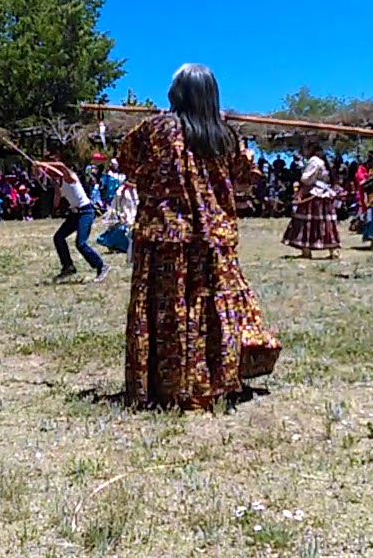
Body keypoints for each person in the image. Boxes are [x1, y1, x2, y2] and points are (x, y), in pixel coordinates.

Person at [117, 63, 282, 410]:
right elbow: (247, 174)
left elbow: (126, 160)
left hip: (166, 235)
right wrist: (227, 127)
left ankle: (166, 388)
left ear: (176, 93)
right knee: (209, 308)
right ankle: (213, 382)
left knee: (168, 310)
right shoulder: (224, 136)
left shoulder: (156, 129)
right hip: (213, 236)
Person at [34, 152, 110, 283]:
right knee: (58, 237)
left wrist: (42, 164)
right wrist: (38, 172)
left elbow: (62, 166)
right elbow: (56, 203)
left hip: (86, 211)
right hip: (75, 213)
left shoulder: (70, 176)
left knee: (81, 243)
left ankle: (101, 266)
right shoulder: (59, 182)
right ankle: (68, 266)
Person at [281, 142, 341, 259]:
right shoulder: (323, 161)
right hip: (324, 195)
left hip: (314, 195)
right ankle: (333, 250)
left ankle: (306, 249)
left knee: (307, 223)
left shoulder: (314, 161)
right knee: (325, 222)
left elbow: (306, 179)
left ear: (311, 149)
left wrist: (301, 186)